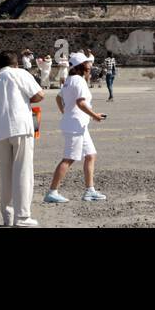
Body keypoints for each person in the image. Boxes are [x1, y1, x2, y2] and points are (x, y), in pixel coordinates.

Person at [0, 51, 44, 227]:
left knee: (5, 173)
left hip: (0, 129)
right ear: (16, 63)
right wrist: (27, 99)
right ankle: (23, 216)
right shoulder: (20, 73)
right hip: (20, 126)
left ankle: (8, 215)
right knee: (23, 171)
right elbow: (40, 95)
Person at [45, 52, 106, 204]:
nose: (90, 66)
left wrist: (65, 112)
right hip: (75, 125)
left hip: (78, 124)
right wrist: (95, 115)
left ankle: (89, 191)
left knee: (90, 155)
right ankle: (52, 192)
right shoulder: (78, 81)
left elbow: (58, 97)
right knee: (69, 158)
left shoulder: (70, 80)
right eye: (88, 63)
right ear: (81, 66)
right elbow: (81, 103)